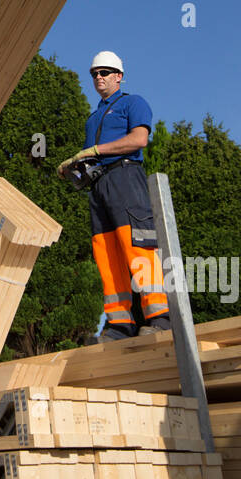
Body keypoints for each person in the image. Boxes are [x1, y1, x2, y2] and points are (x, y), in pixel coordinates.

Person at [58, 52, 170, 342]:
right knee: (106, 251)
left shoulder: (133, 102)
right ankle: (120, 323)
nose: (99, 77)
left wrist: (96, 151)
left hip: (125, 177)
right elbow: (90, 160)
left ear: (119, 76)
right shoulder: (93, 118)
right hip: (99, 186)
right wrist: (73, 167)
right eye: (95, 73)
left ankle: (160, 316)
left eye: (105, 72)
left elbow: (139, 140)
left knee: (138, 244)